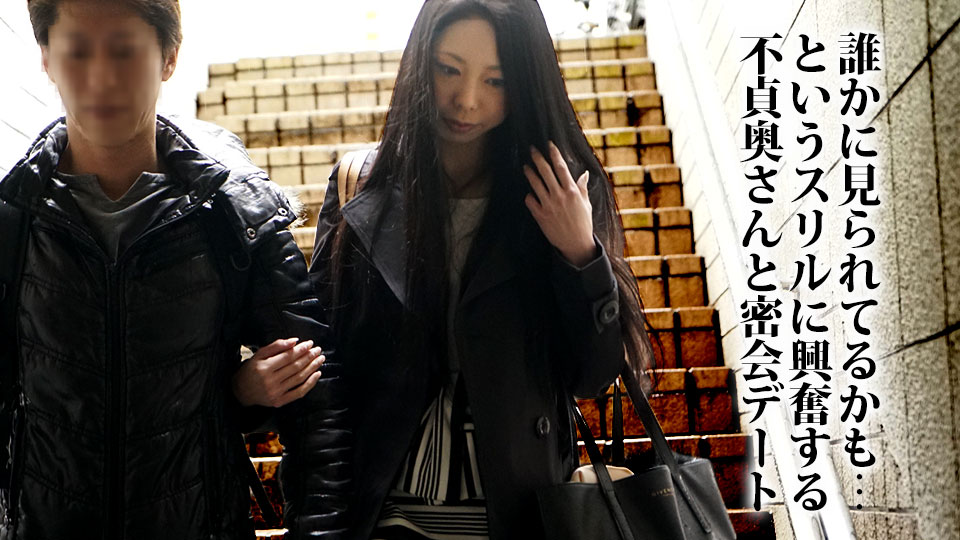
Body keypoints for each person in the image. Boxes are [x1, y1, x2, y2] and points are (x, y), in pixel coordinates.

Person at [236, 0, 656, 538]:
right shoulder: (359, 184)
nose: (467, 99)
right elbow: (323, 359)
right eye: (448, 69)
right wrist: (247, 392)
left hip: (513, 511)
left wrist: (580, 254)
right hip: (381, 508)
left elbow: (593, 376)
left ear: (525, 82)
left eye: (496, 80)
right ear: (421, 63)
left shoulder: (559, 191)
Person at [0, 0, 350, 538]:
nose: (101, 77)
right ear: (46, 59)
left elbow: (316, 405)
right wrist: (233, 395)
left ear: (169, 57)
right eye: (77, 51)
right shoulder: (13, 218)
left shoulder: (234, 215)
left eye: (124, 50)